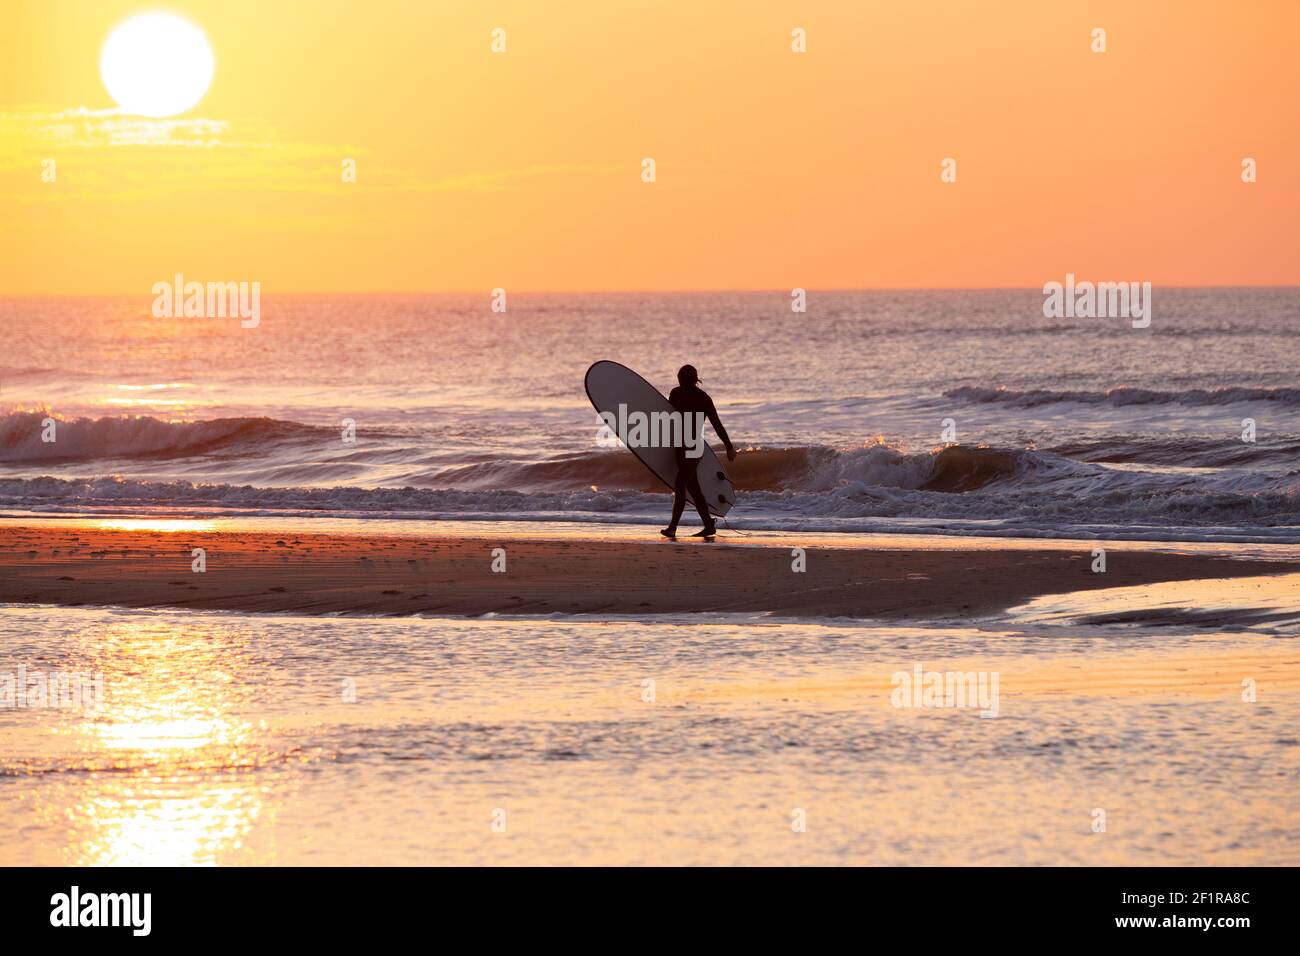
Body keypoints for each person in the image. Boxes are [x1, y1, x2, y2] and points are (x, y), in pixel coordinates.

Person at [662, 364, 736, 539]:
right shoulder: (680, 394)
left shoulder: (694, 396)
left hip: (692, 446)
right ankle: (709, 526)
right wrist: (728, 447)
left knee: (680, 483)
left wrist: (729, 446)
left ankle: (672, 528)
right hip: (682, 445)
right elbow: (667, 416)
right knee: (693, 488)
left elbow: (716, 424)